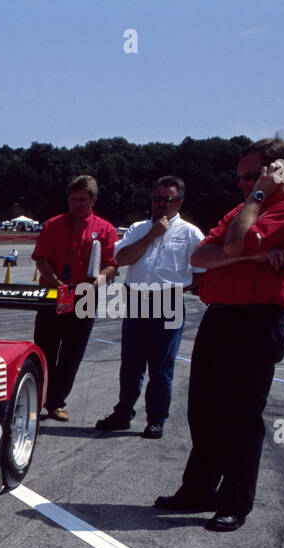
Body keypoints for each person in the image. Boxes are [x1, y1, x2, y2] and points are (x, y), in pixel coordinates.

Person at [155, 138, 284, 531]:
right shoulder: (243, 209)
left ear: (278, 171)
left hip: (256, 323)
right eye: (242, 177)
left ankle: (235, 501)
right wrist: (252, 255)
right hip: (220, 318)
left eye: (252, 176)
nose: (245, 185)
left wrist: (252, 218)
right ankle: (198, 490)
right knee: (203, 411)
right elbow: (198, 257)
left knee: (241, 418)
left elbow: (234, 242)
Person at [94, 176, 203, 438]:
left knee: (161, 365)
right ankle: (123, 413)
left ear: (180, 202)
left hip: (168, 301)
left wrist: (174, 290)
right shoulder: (137, 229)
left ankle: (156, 418)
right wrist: (152, 235)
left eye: (168, 200)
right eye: (157, 199)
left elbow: (200, 272)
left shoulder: (191, 233)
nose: (161, 205)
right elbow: (121, 258)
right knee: (130, 362)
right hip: (135, 299)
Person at [30, 175, 118, 421]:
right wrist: (57, 284)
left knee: (72, 354)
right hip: (52, 294)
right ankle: (36, 399)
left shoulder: (105, 229)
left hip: (85, 297)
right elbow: (41, 258)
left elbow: (112, 266)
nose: (76, 204)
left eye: (82, 199)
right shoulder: (52, 225)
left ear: (93, 200)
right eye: (72, 199)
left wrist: (96, 283)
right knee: (44, 350)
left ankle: (56, 402)